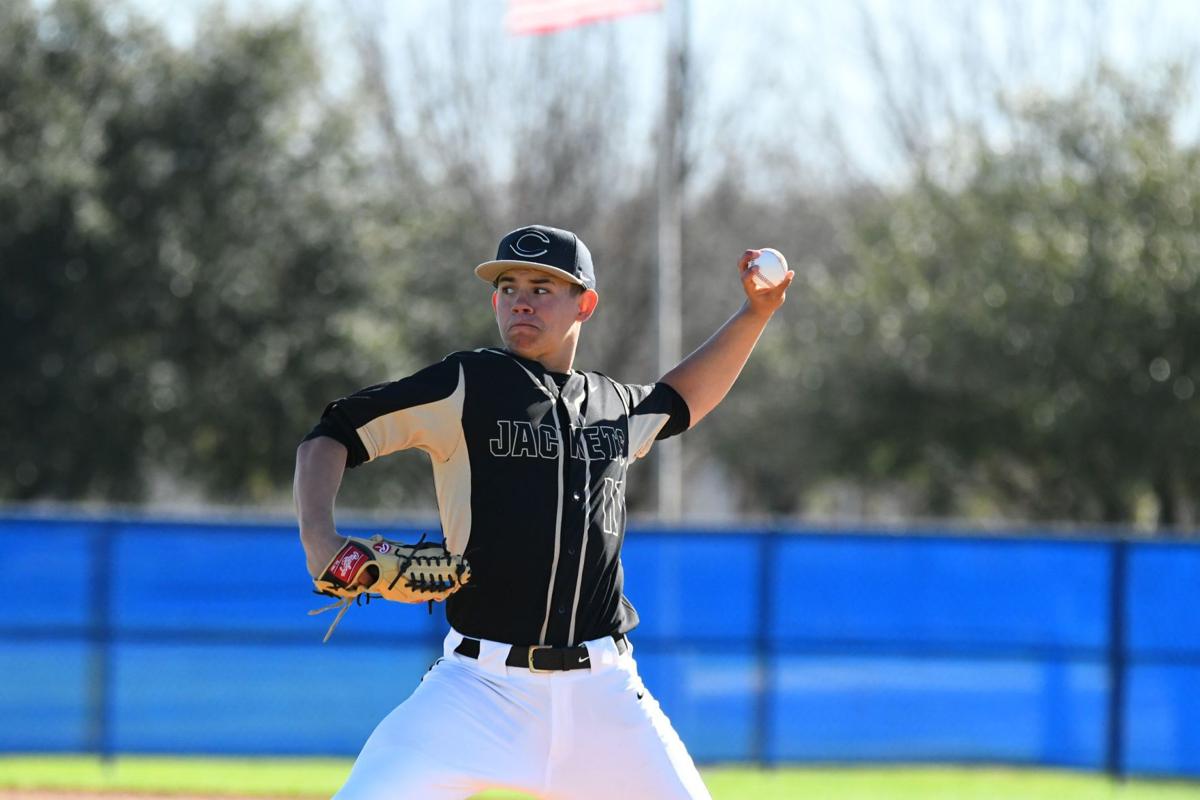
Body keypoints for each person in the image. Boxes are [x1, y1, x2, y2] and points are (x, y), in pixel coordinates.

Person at [294, 224, 793, 799]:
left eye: (542, 288)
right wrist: (320, 540)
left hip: (604, 695)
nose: (521, 301)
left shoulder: (613, 406)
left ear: (585, 304)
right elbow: (333, 433)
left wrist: (755, 313)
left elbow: (681, 400)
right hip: (477, 691)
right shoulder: (467, 383)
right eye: (508, 288)